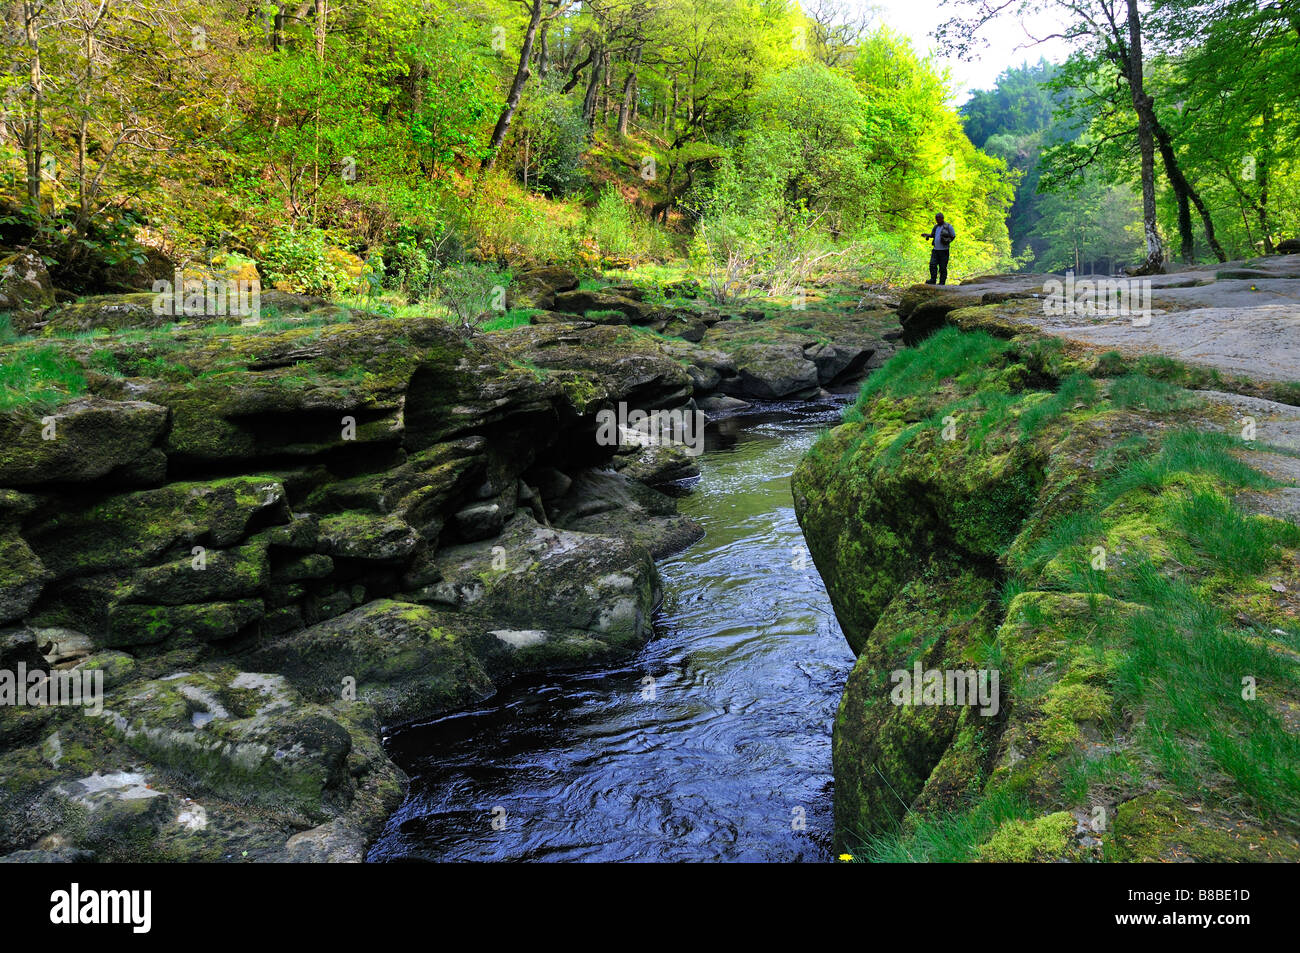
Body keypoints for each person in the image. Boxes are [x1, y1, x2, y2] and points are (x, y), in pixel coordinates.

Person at [921, 213, 957, 285]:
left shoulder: (948, 226)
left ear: (942, 218)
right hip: (935, 250)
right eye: (936, 218)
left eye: (938, 218)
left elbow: (953, 235)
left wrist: (947, 241)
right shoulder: (936, 227)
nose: (937, 220)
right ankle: (933, 280)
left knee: (942, 267)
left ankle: (942, 282)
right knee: (932, 265)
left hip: (944, 250)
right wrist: (927, 235)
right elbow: (933, 235)